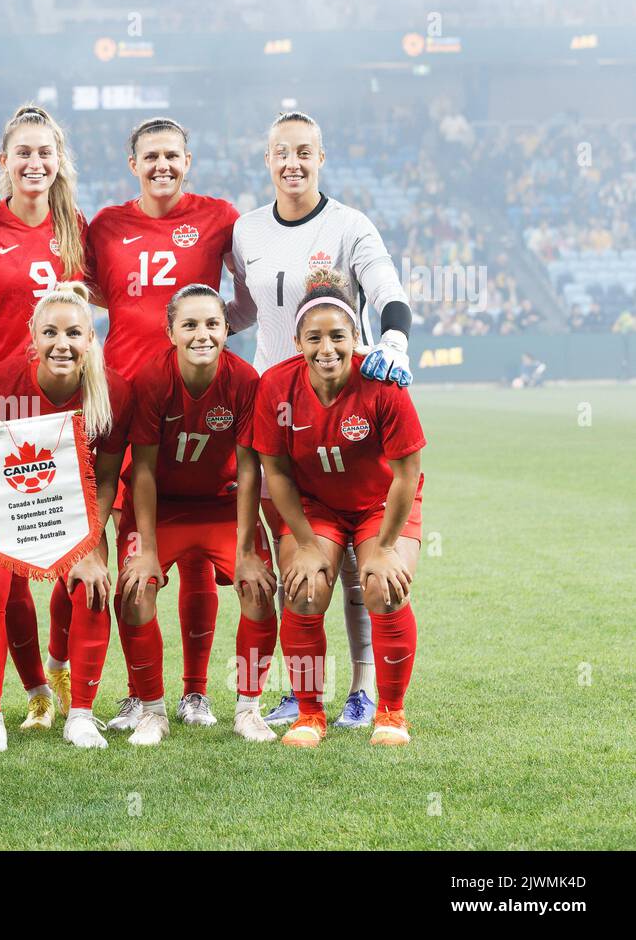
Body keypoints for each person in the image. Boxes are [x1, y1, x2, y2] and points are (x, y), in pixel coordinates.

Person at [228, 111, 415, 729]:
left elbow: (385, 286)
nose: (293, 162)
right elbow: (242, 305)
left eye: (304, 152)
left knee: (366, 573)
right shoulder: (246, 231)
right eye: (281, 151)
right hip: (276, 406)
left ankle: (364, 690)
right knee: (301, 570)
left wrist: (392, 337)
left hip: (345, 392)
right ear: (267, 159)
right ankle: (302, 694)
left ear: (321, 157)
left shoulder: (348, 224)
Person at [84, 116, 240, 731]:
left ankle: (195, 691)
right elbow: (97, 293)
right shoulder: (106, 225)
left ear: (189, 159)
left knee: (198, 549)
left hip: (200, 398)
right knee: (132, 540)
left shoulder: (219, 217)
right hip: (127, 399)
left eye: (173, 156)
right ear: (133, 164)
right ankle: (137, 689)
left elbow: (247, 284)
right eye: (151, 156)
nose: (162, 166)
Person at [0, 282, 130, 751]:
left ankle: (82, 714)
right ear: (33, 338)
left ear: (91, 338)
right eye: (50, 332)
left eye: (74, 333)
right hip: (2, 512)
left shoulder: (115, 392)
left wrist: (91, 545)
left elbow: (108, 478)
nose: (62, 343)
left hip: (73, 514)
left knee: (91, 585)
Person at [251, 270, 425, 748]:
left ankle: (390, 713)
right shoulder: (275, 387)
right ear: (298, 341)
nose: (326, 348)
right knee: (305, 589)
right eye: (314, 338)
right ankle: (310, 714)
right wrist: (305, 542)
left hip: (379, 505)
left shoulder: (384, 385)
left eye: (338, 336)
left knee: (382, 586)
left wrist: (386, 546)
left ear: (356, 337)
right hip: (316, 506)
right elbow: (278, 474)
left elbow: (407, 475)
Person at [0, 103, 87, 729]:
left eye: (45, 153)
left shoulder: (76, 230)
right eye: (23, 153)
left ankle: (67, 676)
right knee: (2, 567)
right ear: (4, 161)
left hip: (62, 411)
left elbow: (98, 311)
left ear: (58, 161)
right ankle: (36, 689)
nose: (34, 163)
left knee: (72, 554)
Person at [115, 285, 279, 745]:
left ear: (228, 329)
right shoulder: (150, 380)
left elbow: (250, 469)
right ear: (170, 332)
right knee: (133, 589)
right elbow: (142, 469)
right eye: (189, 324)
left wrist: (247, 550)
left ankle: (249, 708)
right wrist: (145, 550)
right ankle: (152, 712)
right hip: (161, 507)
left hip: (220, 505)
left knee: (260, 585)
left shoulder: (245, 381)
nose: (201, 334)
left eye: (212, 323)